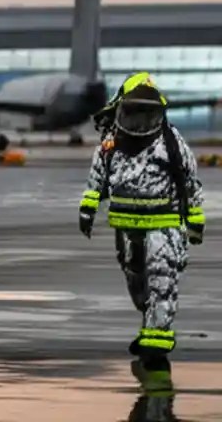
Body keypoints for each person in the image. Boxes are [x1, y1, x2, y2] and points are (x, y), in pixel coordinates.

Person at [79, 72, 205, 372]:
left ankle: (156, 342)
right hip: (126, 226)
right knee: (136, 280)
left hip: (164, 223)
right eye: (134, 112)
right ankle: (149, 319)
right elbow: (97, 178)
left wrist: (195, 221)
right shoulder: (111, 145)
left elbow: (190, 183)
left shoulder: (171, 144)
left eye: (146, 113)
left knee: (162, 278)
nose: (140, 121)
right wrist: (87, 209)